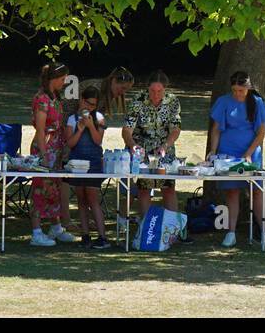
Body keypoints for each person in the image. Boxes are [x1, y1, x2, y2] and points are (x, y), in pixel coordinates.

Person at [207, 70, 265, 249]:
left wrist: (249, 153)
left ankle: (264, 231)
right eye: (235, 90)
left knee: (257, 191)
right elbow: (216, 129)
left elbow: (261, 133)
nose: (238, 94)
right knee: (232, 192)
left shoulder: (257, 103)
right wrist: (213, 151)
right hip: (228, 153)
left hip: (251, 153)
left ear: (248, 88)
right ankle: (231, 233)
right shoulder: (224, 102)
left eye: (241, 91)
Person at [121, 70, 190, 241]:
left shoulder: (172, 101)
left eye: (159, 91)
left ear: (165, 90)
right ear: (147, 89)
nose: (156, 95)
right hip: (142, 148)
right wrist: (133, 146)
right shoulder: (138, 100)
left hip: (164, 146)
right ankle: (146, 229)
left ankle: (173, 231)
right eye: (152, 91)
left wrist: (166, 145)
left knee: (168, 188)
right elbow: (127, 130)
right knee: (144, 188)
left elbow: (175, 128)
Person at [28, 62, 79, 246]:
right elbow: (41, 130)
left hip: (56, 149)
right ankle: (36, 232)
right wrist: (43, 156)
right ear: (54, 79)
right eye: (63, 79)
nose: (65, 82)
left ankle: (56, 227)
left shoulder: (55, 97)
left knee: (54, 189)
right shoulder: (42, 99)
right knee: (41, 188)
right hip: (45, 148)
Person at [64, 85, 110, 249]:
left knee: (92, 198)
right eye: (88, 104)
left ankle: (102, 237)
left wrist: (90, 126)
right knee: (81, 199)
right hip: (77, 163)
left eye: (93, 105)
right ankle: (85, 235)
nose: (90, 108)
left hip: (94, 162)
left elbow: (98, 141)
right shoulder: (72, 119)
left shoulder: (99, 118)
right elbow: (70, 143)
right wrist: (80, 129)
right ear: (82, 100)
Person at [64, 67, 135, 121]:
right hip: (67, 122)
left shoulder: (109, 91)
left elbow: (98, 116)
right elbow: (82, 115)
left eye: (126, 90)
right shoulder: (95, 89)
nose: (123, 92)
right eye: (123, 88)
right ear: (113, 81)